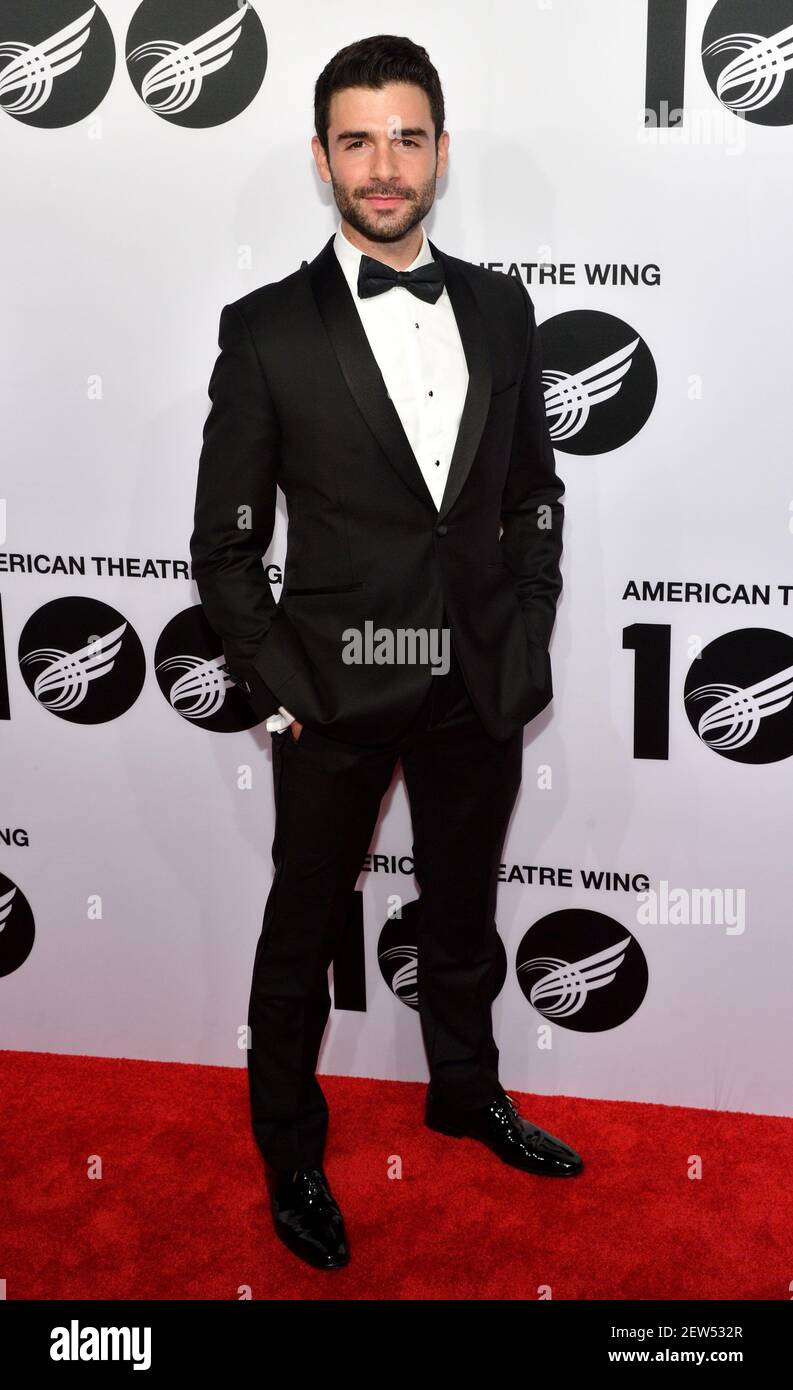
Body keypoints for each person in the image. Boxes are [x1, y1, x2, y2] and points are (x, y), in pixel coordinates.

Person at [189, 33, 583, 1272]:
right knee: (301, 928)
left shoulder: (502, 307)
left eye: (406, 138)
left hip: (475, 678)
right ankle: (290, 1149)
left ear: (440, 153)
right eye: (357, 141)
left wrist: (524, 623)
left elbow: (531, 493)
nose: (383, 165)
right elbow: (223, 544)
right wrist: (281, 680)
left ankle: (464, 1089)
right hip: (336, 686)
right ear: (321, 159)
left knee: (461, 910)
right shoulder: (265, 330)